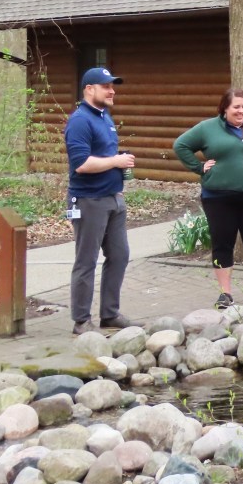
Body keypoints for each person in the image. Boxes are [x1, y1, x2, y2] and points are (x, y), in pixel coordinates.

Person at [173, 88, 243, 310]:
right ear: (225, 108)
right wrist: (199, 168)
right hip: (218, 197)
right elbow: (181, 145)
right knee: (222, 243)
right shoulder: (208, 128)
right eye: (236, 106)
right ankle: (225, 294)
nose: (241, 111)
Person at [65, 66, 136, 335]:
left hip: (113, 198)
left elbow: (103, 156)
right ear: (89, 89)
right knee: (86, 260)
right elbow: (81, 163)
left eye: (112, 85)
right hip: (88, 200)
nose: (112, 90)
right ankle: (81, 320)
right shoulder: (80, 120)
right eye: (106, 86)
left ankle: (109, 314)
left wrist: (120, 165)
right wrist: (115, 161)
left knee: (119, 255)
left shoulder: (104, 116)